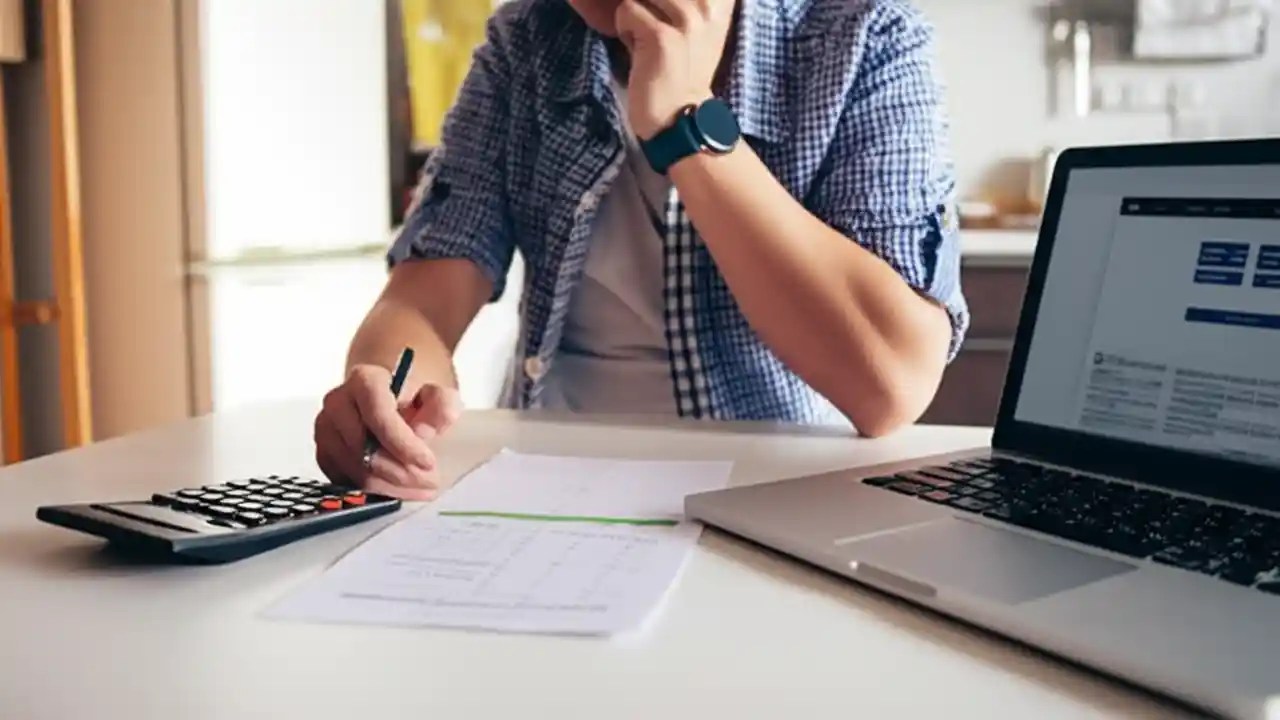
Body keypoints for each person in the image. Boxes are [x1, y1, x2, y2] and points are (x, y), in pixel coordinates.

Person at [314, 0, 969, 500]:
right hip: (545, 495)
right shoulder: (528, 39)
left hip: (780, 500)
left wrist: (687, 121)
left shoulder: (863, 29)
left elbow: (892, 381)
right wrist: (390, 401)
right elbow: (420, 306)